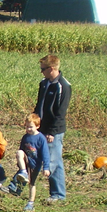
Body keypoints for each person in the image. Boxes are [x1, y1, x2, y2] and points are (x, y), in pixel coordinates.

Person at [34, 54, 71, 203]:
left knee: (52, 161)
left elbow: (61, 112)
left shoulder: (63, 86)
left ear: (52, 68)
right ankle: (58, 194)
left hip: (53, 130)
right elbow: (39, 105)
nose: (41, 72)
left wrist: (52, 131)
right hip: (41, 127)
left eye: (43, 69)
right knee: (51, 160)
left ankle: (57, 195)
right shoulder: (44, 83)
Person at [10, 113, 50, 212]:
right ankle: (17, 184)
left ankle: (30, 203)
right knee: (19, 154)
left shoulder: (41, 138)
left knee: (32, 183)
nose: (28, 129)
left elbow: (45, 154)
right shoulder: (25, 137)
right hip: (26, 162)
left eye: (31, 127)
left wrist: (46, 167)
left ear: (37, 126)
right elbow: (21, 150)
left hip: (35, 165)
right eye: (27, 126)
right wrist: (20, 163)